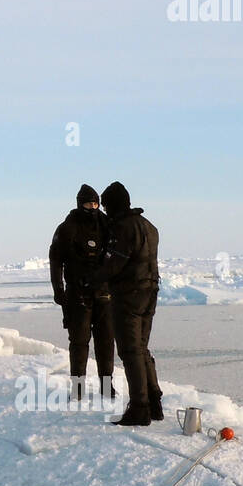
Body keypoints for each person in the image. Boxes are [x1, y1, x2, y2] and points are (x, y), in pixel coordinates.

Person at [94, 182, 163, 425]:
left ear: (113, 204)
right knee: (142, 348)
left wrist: (93, 278)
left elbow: (114, 263)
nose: (104, 209)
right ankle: (155, 402)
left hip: (128, 295)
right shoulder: (149, 226)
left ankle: (139, 408)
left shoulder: (123, 228)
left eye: (105, 204)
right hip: (150, 291)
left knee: (130, 350)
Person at [49, 184, 116, 402]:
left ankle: (107, 386)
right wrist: (59, 290)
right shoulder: (67, 228)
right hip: (77, 294)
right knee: (79, 342)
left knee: (106, 341)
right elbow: (55, 260)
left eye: (95, 203)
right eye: (88, 203)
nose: (93, 207)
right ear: (80, 204)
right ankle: (78, 388)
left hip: (104, 293)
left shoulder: (107, 224)